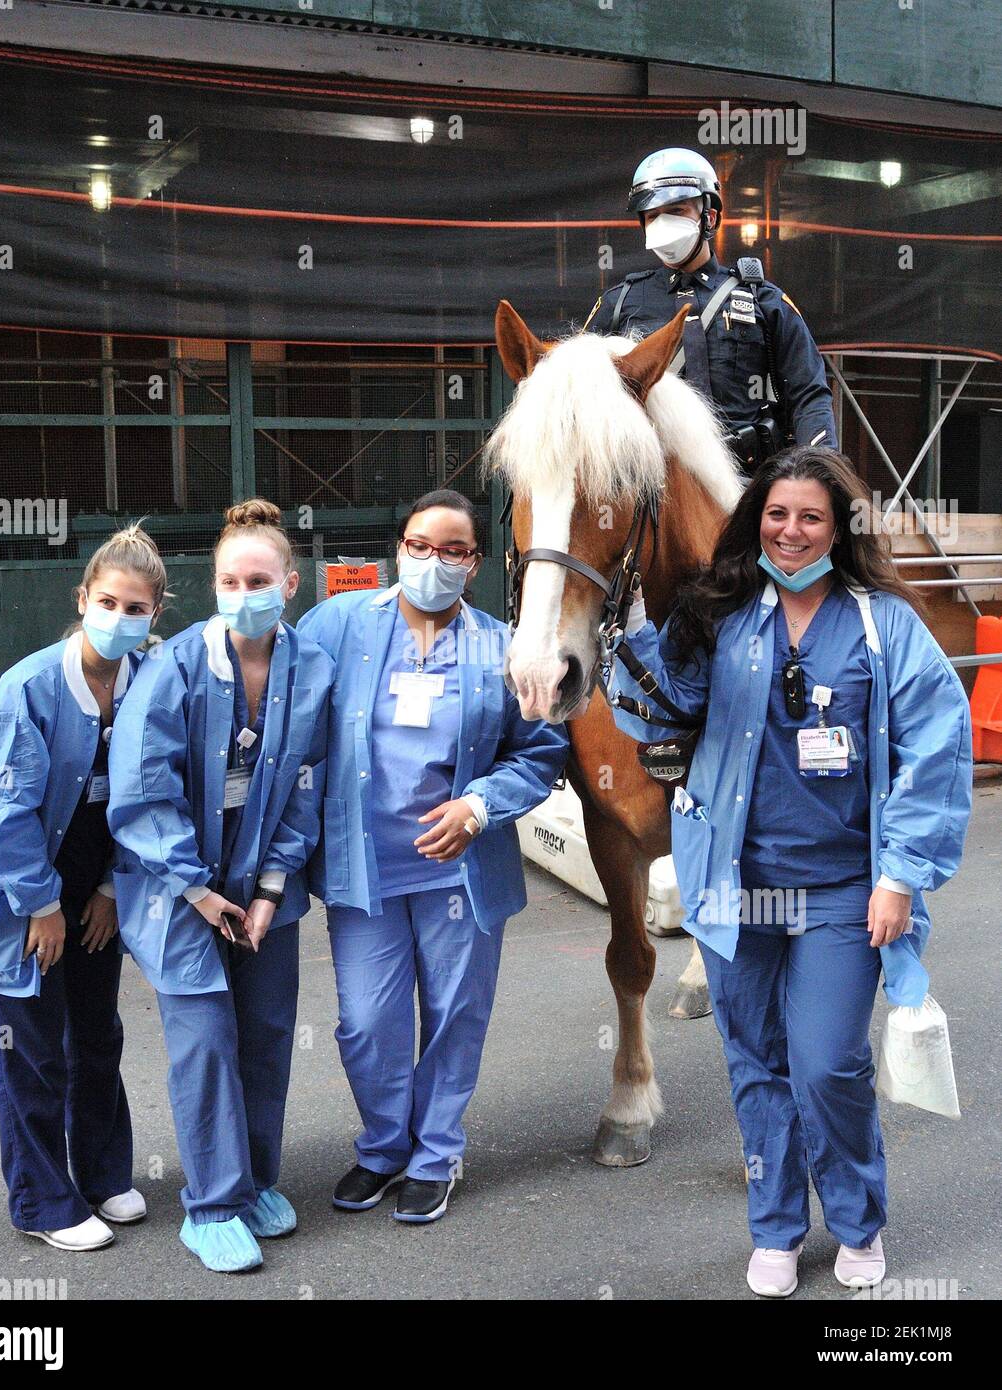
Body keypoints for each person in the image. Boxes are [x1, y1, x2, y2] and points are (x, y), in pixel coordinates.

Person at [606, 446, 972, 1297]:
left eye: (811, 515)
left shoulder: (884, 623)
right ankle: (773, 1225)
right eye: (777, 514)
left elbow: (937, 744)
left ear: (840, 526)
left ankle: (855, 1219)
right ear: (755, 523)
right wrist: (635, 630)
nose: (792, 529)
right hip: (736, 887)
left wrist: (901, 875)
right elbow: (651, 709)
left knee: (826, 1064)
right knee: (755, 1061)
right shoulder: (722, 613)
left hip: (846, 890)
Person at [297, 489, 569, 1224]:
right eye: (419, 545)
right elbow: (292, 719)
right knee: (365, 1020)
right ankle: (384, 1146)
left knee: (454, 1013)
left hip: (460, 872)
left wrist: (479, 806)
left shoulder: (504, 646)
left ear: (475, 562)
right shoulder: (338, 624)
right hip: (366, 868)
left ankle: (436, 1152)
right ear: (399, 548)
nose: (432, 560)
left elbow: (540, 751)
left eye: (452, 550)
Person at [107, 499, 334, 1273]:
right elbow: (142, 795)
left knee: (267, 1037)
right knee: (205, 1043)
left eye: (259, 579)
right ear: (212, 587)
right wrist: (200, 892)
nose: (244, 593)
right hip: (178, 894)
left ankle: (255, 1182)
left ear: (291, 583)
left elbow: (309, 785)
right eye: (229, 581)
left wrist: (270, 891)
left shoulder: (312, 668)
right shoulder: (172, 672)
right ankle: (209, 1205)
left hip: (263, 887)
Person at [0, 524, 166, 1251]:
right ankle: (41, 1199)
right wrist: (41, 905)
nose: (120, 617)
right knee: (32, 1049)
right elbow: (0, 814)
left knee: (98, 1034)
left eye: (136, 607)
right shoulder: (29, 687)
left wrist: (109, 889)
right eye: (108, 601)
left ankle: (100, 1174)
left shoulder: (149, 683)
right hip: (22, 902)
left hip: (96, 897)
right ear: (82, 598)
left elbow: (152, 796)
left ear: (156, 613)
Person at [583, 147, 837, 472]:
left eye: (677, 210)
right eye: (652, 215)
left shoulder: (763, 299)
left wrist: (821, 473)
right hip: (653, 493)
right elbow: (573, 391)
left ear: (710, 217)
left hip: (745, 485)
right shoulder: (618, 303)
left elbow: (808, 394)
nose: (663, 223)